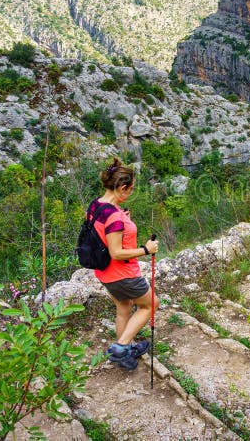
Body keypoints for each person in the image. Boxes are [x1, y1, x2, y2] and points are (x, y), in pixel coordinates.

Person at [86, 157, 160, 370]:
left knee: (124, 306)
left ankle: (125, 351)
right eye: (131, 188)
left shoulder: (97, 205)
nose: (132, 192)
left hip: (104, 273)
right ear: (123, 187)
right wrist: (146, 249)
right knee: (151, 305)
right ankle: (120, 347)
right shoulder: (115, 218)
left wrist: (121, 218)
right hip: (123, 273)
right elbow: (116, 252)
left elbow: (101, 229)